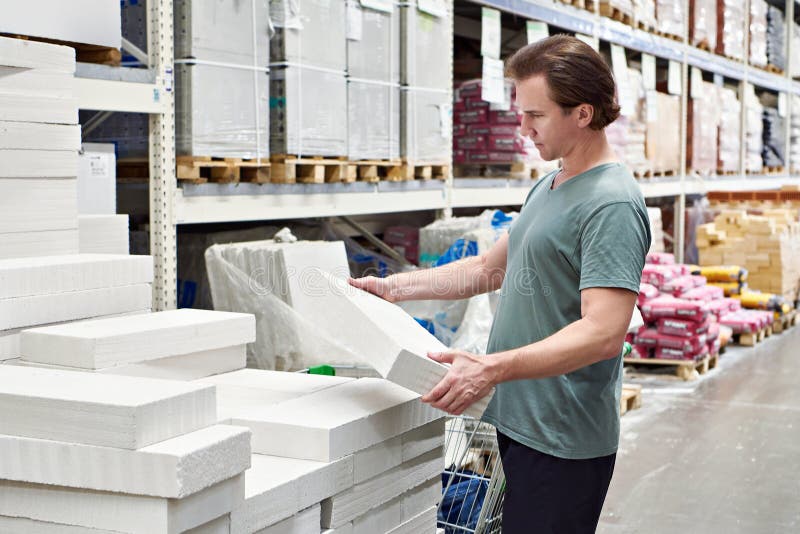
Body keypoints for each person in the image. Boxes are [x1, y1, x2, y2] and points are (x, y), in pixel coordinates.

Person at [350, 35, 651, 533]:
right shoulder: (551, 184)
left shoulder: (612, 203)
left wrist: (490, 369)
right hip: (522, 424)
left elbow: (603, 333)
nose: (523, 128)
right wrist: (393, 288)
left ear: (583, 113)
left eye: (536, 115)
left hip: (562, 439)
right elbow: (486, 269)